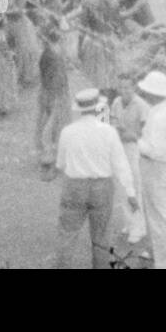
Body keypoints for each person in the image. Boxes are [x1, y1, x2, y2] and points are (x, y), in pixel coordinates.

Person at [55, 88, 139, 269]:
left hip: (74, 185)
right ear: (97, 108)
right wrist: (130, 192)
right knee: (101, 238)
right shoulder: (108, 132)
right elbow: (121, 164)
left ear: (79, 109)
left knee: (67, 234)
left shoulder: (67, 132)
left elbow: (60, 164)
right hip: (102, 187)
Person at [136, 71, 166, 269]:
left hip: (154, 165)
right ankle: (159, 254)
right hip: (163, 166)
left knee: (159, 216)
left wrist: (136, 140)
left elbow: (153, 150)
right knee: (157, 213)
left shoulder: (157, 117)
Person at [109, 75, 149, 244]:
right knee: (121, 187)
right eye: (121, 87)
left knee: (134, 187)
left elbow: (145, 132)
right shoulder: (116, 102)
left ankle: (139, 228)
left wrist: (130, 135)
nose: (124, 91)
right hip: (118, 147)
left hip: (133, 149)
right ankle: (129, 223)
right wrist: (116, 130)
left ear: (134, 88)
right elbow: (111, 122)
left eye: (128, 87)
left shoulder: (141, 105)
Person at [35, 27, 71, 179]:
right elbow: (56, 78)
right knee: (52, 123)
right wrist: (58, 95)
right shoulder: (53, 57)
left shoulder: (49, 54)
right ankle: (49, 155)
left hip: (48, 92)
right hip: (54, 93)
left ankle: (49, 153)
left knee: (49, 122)